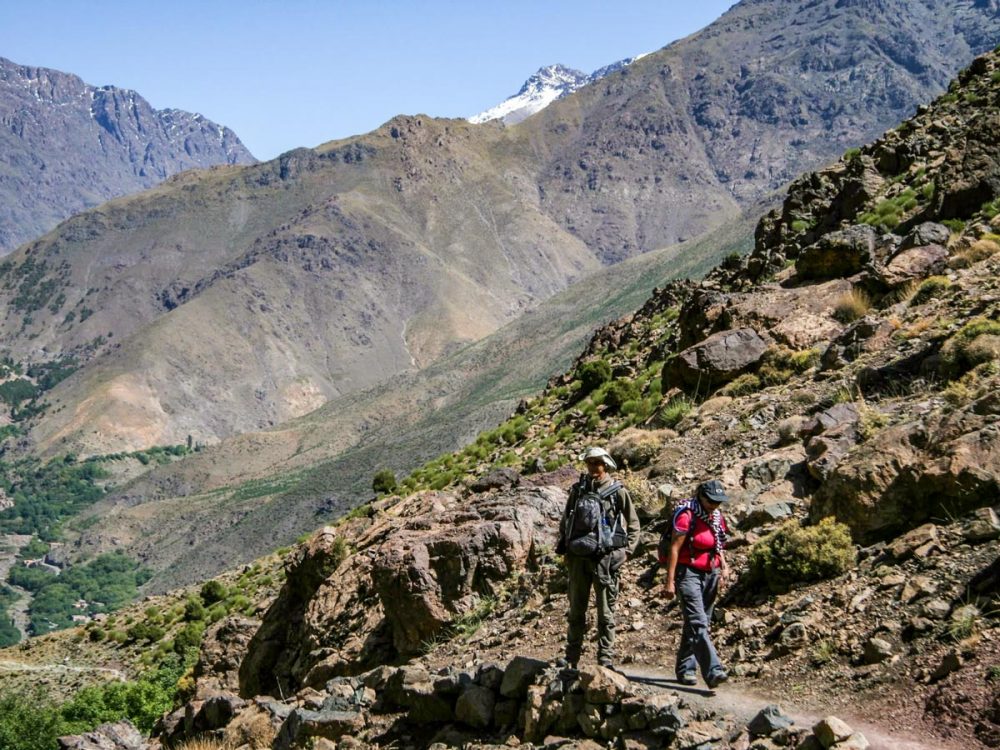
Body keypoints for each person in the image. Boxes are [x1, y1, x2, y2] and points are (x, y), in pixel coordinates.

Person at [557, 446, 641, 670]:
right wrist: (565, 548)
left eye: (597, 462)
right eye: (589, 463)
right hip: (578, 560)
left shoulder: (617, 491)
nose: (593, 467)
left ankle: (605, 658)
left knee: (605, 613)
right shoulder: (577, 490)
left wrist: (628, 551)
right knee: (576, 611)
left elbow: (633, 523)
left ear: (606, 464)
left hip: (605, 559)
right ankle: (571, 657)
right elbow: (566, 521)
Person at [662, 479, 731, 688]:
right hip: (688, 573)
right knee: (698, 622)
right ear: (701, 496)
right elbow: (674, 548)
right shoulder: (687, 515)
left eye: (718, 502)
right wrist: (669, 582)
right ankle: (713, 671)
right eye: (710, 501)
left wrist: (724, 566)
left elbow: (718, 543)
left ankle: (685, 669)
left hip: (711, 572)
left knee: (698, 623)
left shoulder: (716, 517)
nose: (714, 505)